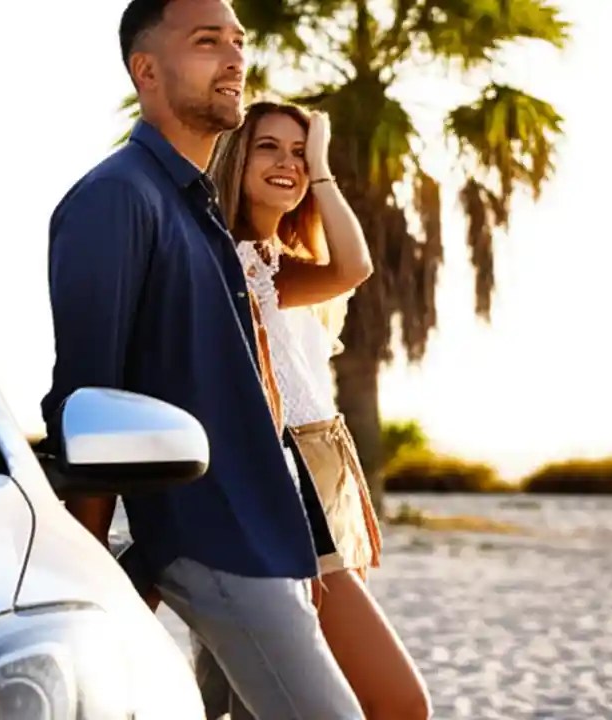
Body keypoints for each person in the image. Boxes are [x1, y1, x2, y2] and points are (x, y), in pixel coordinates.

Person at [39, 0, 365, 716]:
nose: (234, 58)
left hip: (262, 536)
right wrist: (89, 567)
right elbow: (89, 399)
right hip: (214, 541)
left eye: (239, 43)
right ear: (146, 70)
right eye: (207, 41)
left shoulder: (198, 210)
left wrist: (286, 544)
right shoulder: (116, 199)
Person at [194, 99, 432, 719]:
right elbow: (356, 267)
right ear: (237, 156)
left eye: (299, 152)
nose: (289, 163)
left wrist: (319, 167)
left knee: (284, 703)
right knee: (396, 704)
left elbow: (350, 267)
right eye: (269, 147)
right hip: (283, 478)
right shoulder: (227, 262)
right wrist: (322, 169)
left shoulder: (276, 265)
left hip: (328, 472)